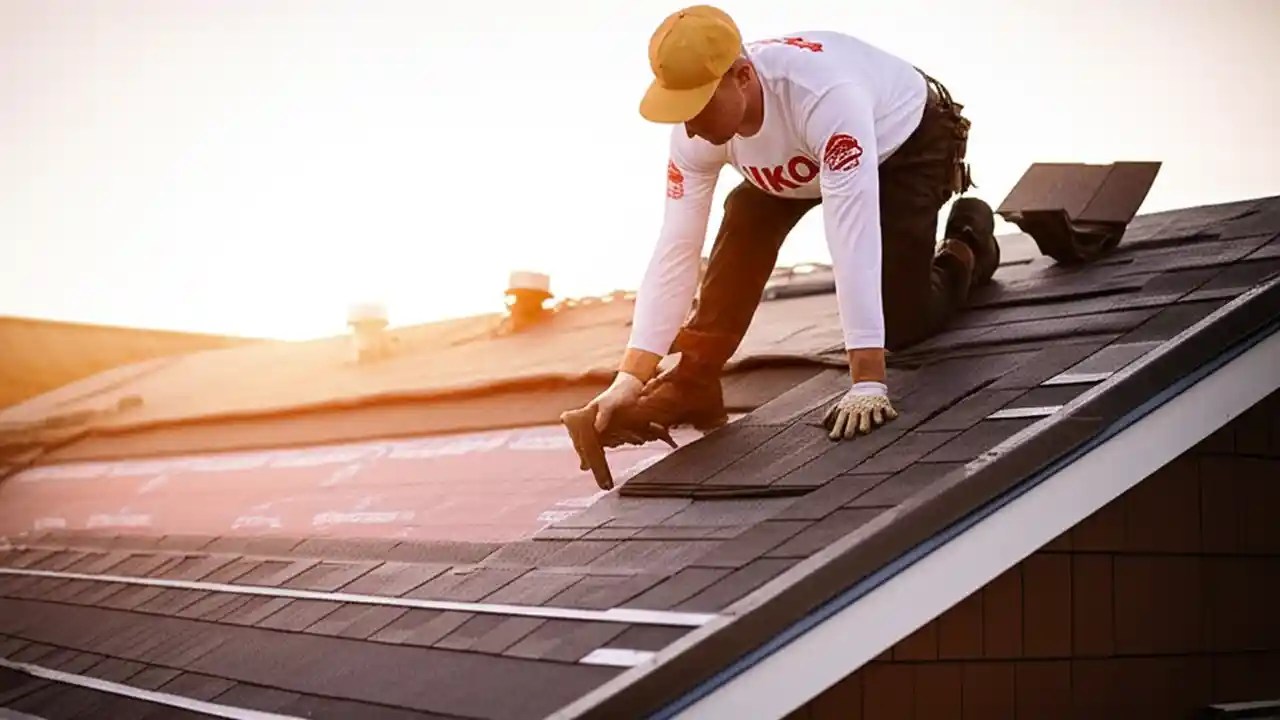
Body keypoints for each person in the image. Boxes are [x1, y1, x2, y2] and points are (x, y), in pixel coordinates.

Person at [585, 5, 999, 444]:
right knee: (745, 212)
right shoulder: (696, 132)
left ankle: (968, 241)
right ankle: (695, 379)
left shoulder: (824, 97)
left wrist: (867, 381)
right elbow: (676, 249)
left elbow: (851, 238)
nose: (690, 125)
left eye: (699, 106)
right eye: (679, 108)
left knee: (902, 323)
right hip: (803, 156)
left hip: (901, 143)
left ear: (742, 77)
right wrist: (628, 378)